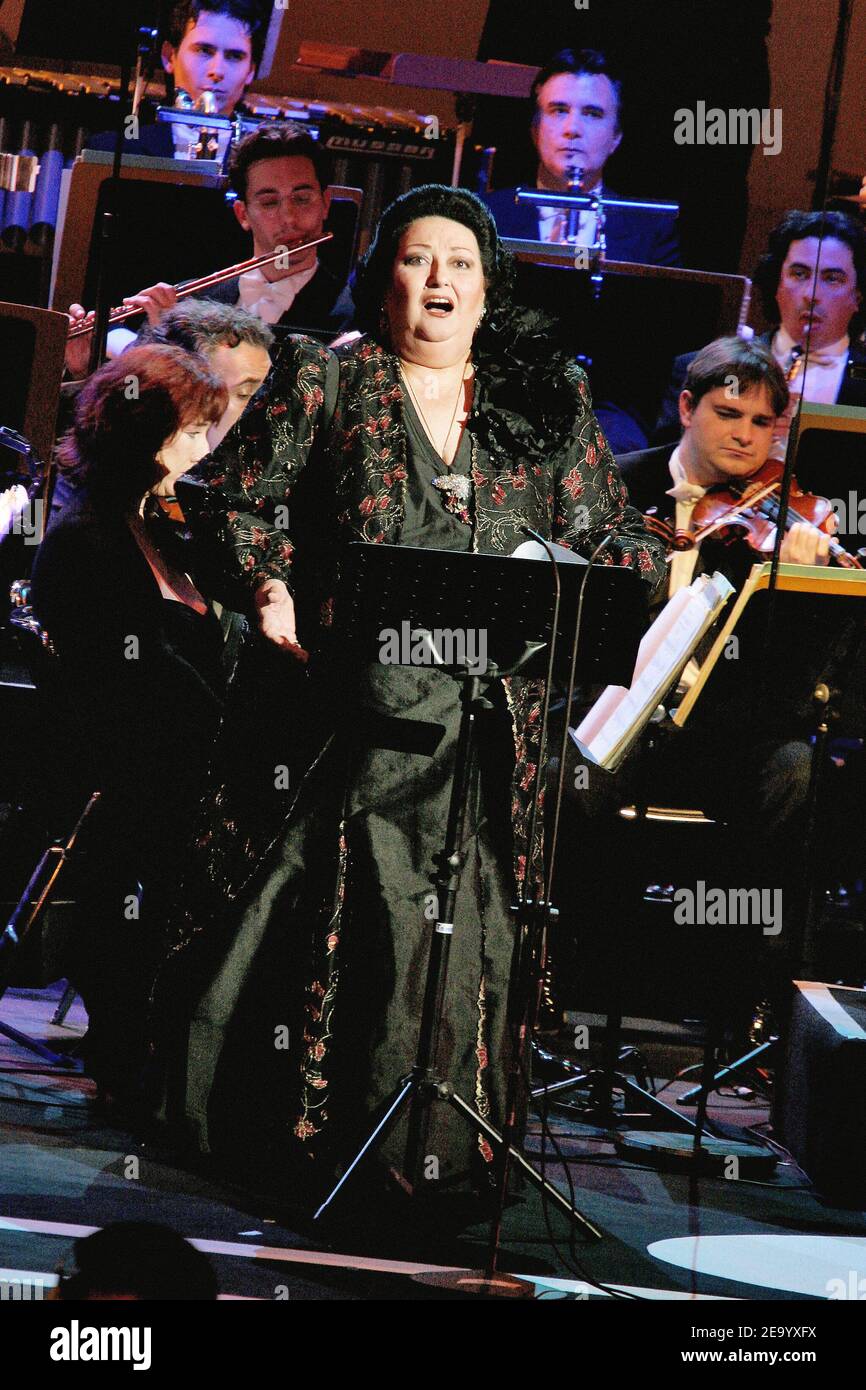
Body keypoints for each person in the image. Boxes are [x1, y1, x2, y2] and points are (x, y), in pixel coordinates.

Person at [154, 184, 667, 1199]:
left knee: (464, 923)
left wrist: (610, 577)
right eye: (416, 258)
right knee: (357, 910)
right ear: (380, 274)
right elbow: (237, 508)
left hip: (484, 723)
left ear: (489, 287)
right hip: (342, 714)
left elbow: (621, 538)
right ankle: (298, 1138)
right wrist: (268, 588)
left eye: (460, 264)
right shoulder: (321, 378)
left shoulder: (541, 398)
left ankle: (439, 1150)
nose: (438, 281)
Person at [31, 346, 229, 1103]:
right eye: (191, 431)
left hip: (182, 779)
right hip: (128, 795)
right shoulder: (88, 544)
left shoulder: (166, 530)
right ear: (144, 436)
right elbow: (124, 693)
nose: (202, 448)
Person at [654, 211, 866, 450]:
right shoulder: (701, 369)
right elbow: (666, 468)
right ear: (776, 284)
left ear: (857, 295)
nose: (812, 294)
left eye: (832, 278)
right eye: (799, 274)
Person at [482, 49, 679, 266]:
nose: (573, 129)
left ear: (616, 136)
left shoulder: (651, 232)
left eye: (592, 114)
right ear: (535, 130)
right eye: (559, 111)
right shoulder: (482, 218)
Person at [86, 1, 264, 161]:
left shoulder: (265, 162)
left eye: (234, 56)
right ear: (169, 56)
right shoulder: (112, 152)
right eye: (204, 51)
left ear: (250, 71)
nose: (217, 71)